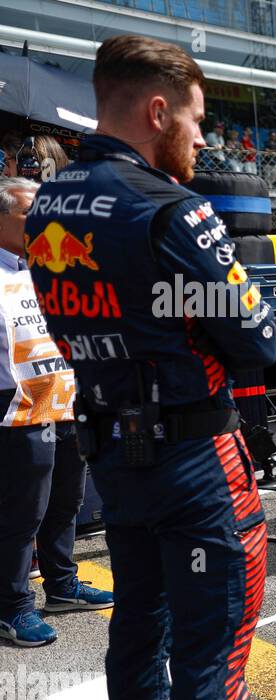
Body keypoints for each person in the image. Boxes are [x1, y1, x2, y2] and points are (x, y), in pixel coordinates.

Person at [23, 34, 276, 700]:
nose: (199, 141)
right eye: (193, 122)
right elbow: (256, 339)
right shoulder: (171, 209)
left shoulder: (49, 204)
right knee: (215, 643)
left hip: (111, 453)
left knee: (139, 625)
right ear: (157, 110)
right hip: (195, 460)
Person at [1, 176, 112, 648]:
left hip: (65, 398)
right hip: (16, 408)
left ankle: (61, 584)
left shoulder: (49, 267)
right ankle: (11, 607)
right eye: (31, 211)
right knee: (23, 512)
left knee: (67, 499)